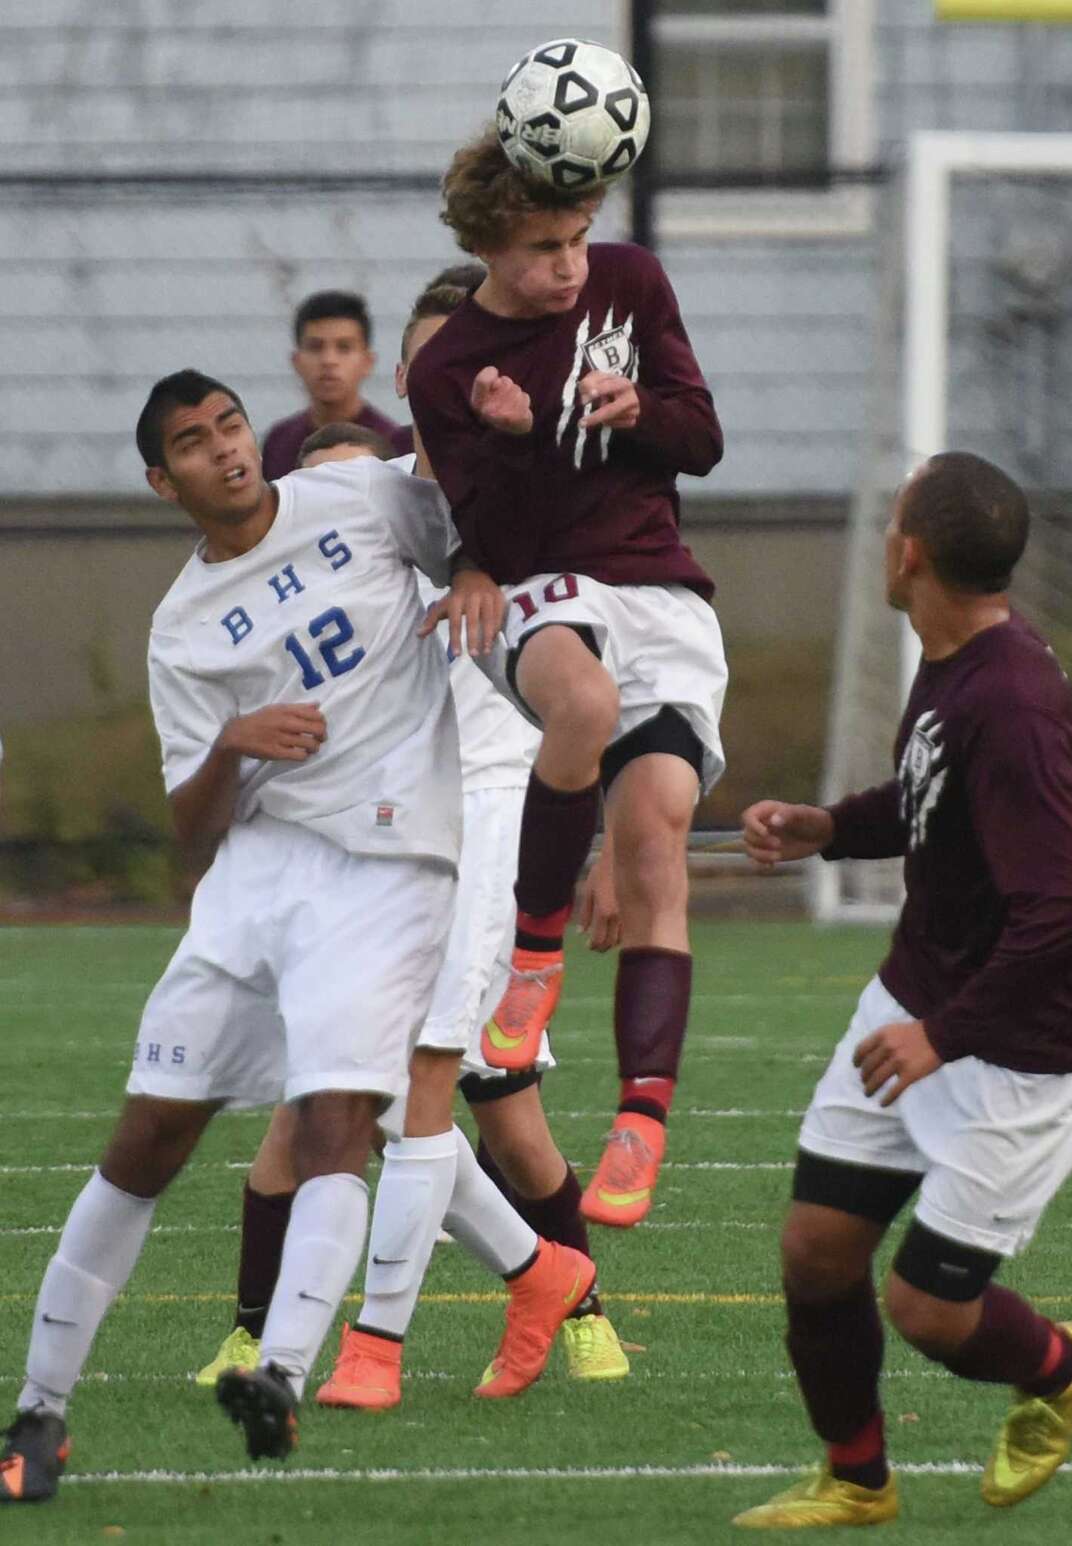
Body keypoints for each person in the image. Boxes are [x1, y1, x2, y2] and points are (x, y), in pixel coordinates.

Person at [0, 370, 593, 1503]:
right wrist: (232, 745)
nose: (224, 449)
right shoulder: (180, 628)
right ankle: (39, 1410)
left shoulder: (357, 498)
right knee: (148, 1138)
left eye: (230, 424)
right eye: (193, 442)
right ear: (161, 480)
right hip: (253, 879)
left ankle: (278, 1374)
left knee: (336, 1123)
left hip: (385, 871)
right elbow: (190, 830)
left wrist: (474, 564)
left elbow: (488, 523)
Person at [198, 273, 629, 1404]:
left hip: (494, 817)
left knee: (452, 1088)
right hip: (386, 831)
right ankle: (541, 1276)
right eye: (444, 365)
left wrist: (620, 845)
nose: (467, 385)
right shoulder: (371, 503)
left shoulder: (537, 501)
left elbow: (602, 688)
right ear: (406, 380)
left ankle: (376, 1349)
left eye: (489, 363)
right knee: (367, 1099)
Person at [735, 452, 1072, 1530]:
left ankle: (1055, 1367)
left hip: (1031, 1046)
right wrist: (830, 828)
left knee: (927, 1308)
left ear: (908, 553)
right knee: (817, 1251)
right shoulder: (953, 657)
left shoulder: (1013, 700)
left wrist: (942, 1037)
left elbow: (1067, 909)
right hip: (925, 998)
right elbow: (930, 801)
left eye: (890, 524)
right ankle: (857, 1479)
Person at [407, 127, 728, 1230]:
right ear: (488, 246)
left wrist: (638, 411)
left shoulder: (632, 283)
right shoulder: (448, 367)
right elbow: (489, 538)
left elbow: (702, 440)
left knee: (657, 836)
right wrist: (512, 433)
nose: (570, 265)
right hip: (544, 589)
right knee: (582, 705)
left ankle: (643, 1116)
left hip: (659, 589)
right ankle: (534, 956)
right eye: (545, 248)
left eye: (580, 237)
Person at [260, 290, 413, 479]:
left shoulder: (393, 444)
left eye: (344, 347)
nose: (329, 360)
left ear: (368, 361)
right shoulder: (278, 442)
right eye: (315, 347)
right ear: (296, 361)